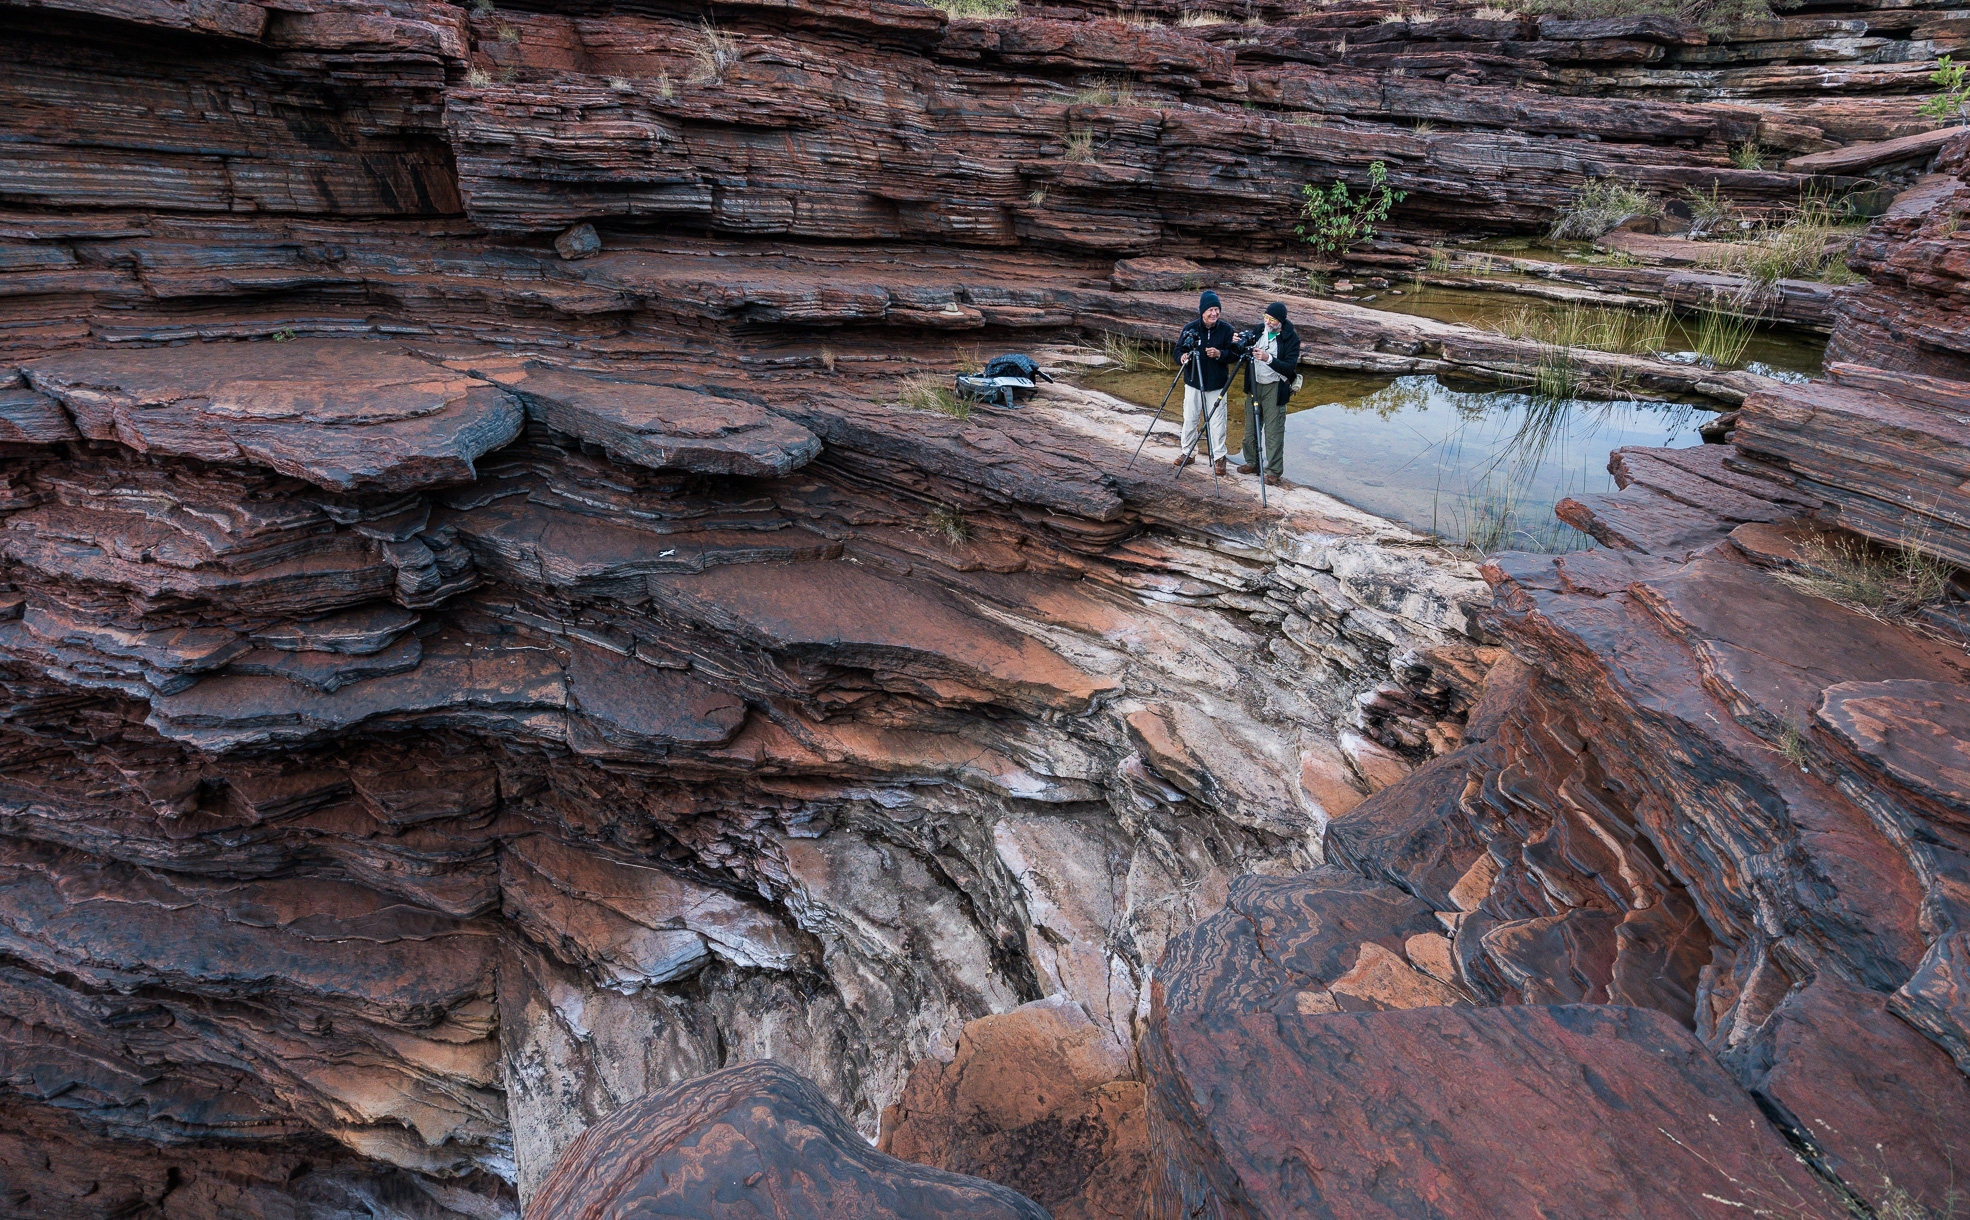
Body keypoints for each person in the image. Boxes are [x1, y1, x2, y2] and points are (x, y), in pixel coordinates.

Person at [1230, 301, 1301, 487]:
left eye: (1272, 319)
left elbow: (1289, 368)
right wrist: (1236, 342)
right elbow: (1242, 352)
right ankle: (1252, 462)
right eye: (1266, 317)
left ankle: (1273, 471)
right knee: (1250, 428)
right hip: (1254, 384)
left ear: (1281, 321)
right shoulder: (1259, 330)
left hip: (1274, 387)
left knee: (1273, 431)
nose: (1268, 322)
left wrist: (1268, 358)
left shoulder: (1291, 338)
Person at [1175, 290, 1235, 474]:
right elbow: (1177, 351)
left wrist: (1220, 354)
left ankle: (1219, 458)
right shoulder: (1190, 328)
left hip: (1217, 385)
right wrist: (1182, 358)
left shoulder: (1226, 330)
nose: (1214, 313)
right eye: (1210, 310)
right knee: (1190, 419)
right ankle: (1188, 453)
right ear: (1202, 311)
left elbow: (1234, 355)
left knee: (1217, 422)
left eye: (1217, 309)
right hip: (1193, 382)